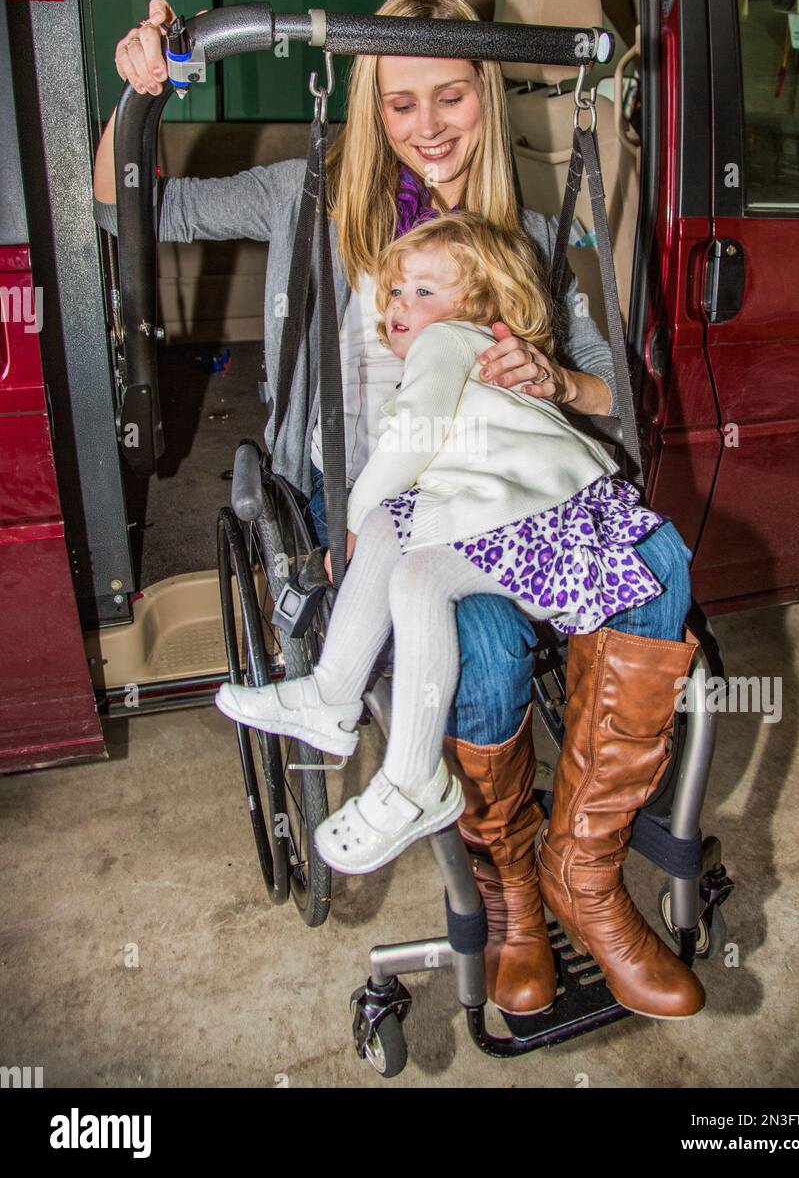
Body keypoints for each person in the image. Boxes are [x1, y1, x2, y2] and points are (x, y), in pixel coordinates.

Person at [92, 0, 698, 1021]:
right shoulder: (304, 197)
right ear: (370, 105)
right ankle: (509, 882)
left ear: (486, 97)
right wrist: (140, 90)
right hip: (376, 500)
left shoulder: (530, 231)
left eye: (451, 96)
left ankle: (579, 871)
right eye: (400, 100)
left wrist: (556, 381)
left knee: (655, 562)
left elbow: (613, 397)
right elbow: (126, 205)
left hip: (499, 494)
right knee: (492, 648)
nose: (427, 126)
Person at [213, 213, 704, 1022]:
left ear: (478, 301)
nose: (395, 304)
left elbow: (410, 440)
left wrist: (364, 511)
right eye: (394, 291)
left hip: (533, 523)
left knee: (397, 546)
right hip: (512, 522)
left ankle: (558, 862)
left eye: (420, 291)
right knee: (416, 581)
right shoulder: (447, 342)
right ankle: (406, 773)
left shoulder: (449, 346)